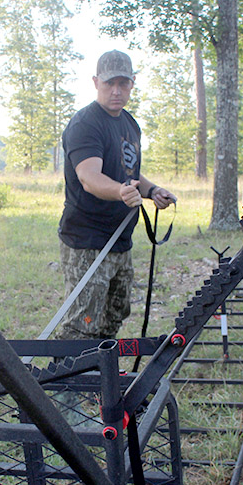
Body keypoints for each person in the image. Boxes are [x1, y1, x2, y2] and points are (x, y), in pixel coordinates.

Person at [56, 50, 176, 344]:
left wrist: (151, 191)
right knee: (83, 320)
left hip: (120, 239)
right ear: (96, 82)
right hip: (87, 241)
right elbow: (89, 177)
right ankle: (67, 386)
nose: (116, 91)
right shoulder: (85, 123)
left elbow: (129, 172)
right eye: (110, 84)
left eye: (123, 84)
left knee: (115, 312)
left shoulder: (129, 124)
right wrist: (121, 192)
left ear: (133, 83)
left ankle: (100, 372)